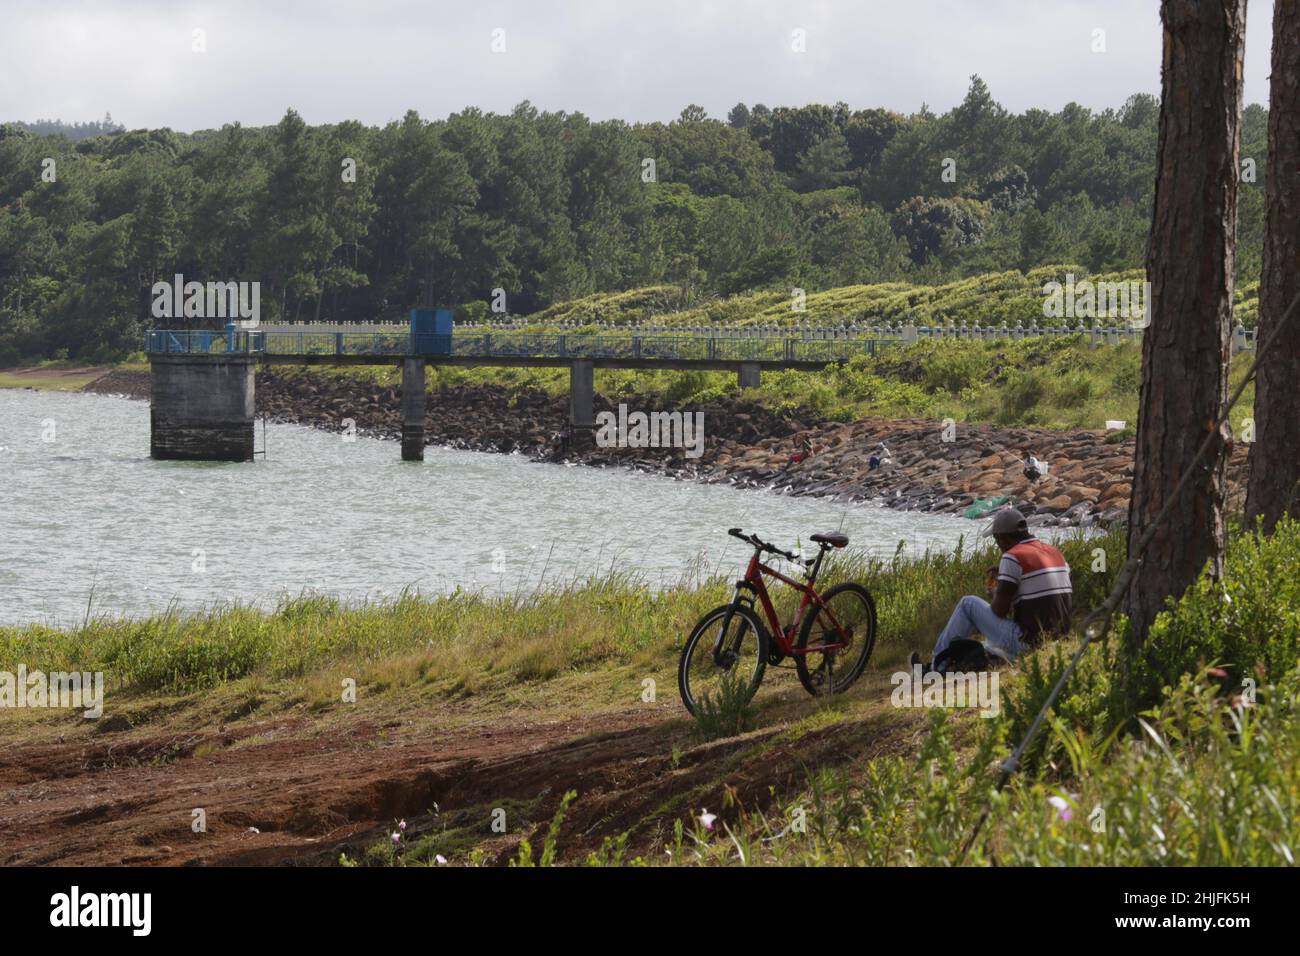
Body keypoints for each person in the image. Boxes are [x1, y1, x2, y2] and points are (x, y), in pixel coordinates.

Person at [911, 507, 1072, 673]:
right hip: (1058, 640)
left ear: (1001, 538)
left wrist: (995, 592)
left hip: (1028, 643)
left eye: (996, 540)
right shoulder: (1055, 553)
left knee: (968, 604)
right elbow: (1046, 593)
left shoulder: (1012, 556)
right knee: (986, 642)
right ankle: (987, 657)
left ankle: (936, 667)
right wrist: (1007, 581)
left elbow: (1000, 611)